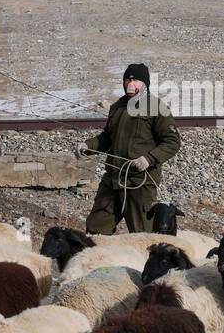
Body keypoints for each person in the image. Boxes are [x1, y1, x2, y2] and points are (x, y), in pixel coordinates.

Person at [77, 63, 181, 235]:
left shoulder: (158, 108)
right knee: (95, 229)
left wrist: (149, 158)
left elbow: (172, 142)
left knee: (143, 235)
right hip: (113, 179)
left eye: (135, 80)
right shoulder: (117, 106)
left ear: (145, 84)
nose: (130, 83)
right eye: (127, 79)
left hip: (140, 182)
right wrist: (88, 146)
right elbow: (107, 137)